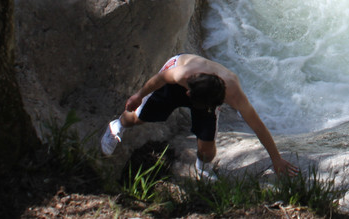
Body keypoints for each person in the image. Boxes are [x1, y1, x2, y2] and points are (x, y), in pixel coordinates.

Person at [100, 53, 298, 180]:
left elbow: (258, 126)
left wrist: (276, 159)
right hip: (173, 86)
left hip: (205, 94)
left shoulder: (233, 92)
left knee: (207, 150)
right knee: (137, 118)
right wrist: (139, 95)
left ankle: (202, 169)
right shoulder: (181, 74)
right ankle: (117, 125)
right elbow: (159, 79)